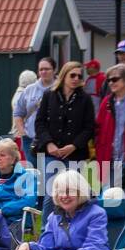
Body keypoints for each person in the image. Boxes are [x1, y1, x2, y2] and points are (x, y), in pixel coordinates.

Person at [34, 61, 96, 218]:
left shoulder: (85, 99)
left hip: (75, 154)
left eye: (79, 76)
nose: (76, 78)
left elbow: (89, 127)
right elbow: (40, 122)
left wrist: (74, 146)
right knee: (51, 194)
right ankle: (46, 233)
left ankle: (73, 228)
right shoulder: (49, 95)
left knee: (73, 194)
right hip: (51, 154)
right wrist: (48, 143)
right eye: (72, 75)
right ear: (64, 75)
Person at [0, 138, 40, 239]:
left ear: (13, 159)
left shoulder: (27, 177)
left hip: (14, 218)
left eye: (2, 155)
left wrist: (2, 210)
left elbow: (29, 200)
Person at [12, 57, 56, 163]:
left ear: (54, 70)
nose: (43, 72)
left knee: (50, 173)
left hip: (53, 139)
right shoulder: (29, 90)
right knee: (34, 172)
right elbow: (18, 113)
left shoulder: (61, 88)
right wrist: (22, 132)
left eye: (47, 69)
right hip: (31, 138)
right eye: (41, 69)